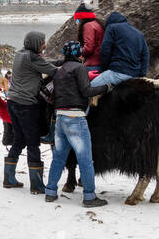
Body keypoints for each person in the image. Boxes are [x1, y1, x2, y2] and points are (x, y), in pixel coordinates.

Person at [44, 41, 112, 207]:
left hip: (60, 118)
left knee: (58, 158)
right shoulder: (79, 68)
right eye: (81, 52)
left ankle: (50, 191)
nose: (82, 55)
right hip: (76, 118)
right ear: (77, 54)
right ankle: (89, 196)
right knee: (85, 159)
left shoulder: (59, 72)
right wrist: (105, 88)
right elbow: (86, 91)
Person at [0, 31, 58, 193]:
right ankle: (37, 184)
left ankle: (8, 178)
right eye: (42, 42)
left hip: (13, 103)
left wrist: (63, 61)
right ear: (36, 43)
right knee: (33, 143)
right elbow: (54, 71)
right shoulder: (33, 58)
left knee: (19, 140)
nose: (44, 45)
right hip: (26, 106)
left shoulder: (20, 54)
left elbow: (44, 63)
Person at [92, 11, 149, 88]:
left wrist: (104, 68)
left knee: (89, 89)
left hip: (117, 73)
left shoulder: (111, 28)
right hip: (135, 76)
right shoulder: (139, 34)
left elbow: (105, 50)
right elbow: (145, 55)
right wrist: (142, 76)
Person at [73, 2, 105, 74]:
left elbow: (88, 48)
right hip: (99, 62)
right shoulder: (96, 23)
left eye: (77, 20)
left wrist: (77, 52)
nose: (77, 22)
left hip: (93, 64)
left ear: (82, 18)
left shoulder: (88, 26)